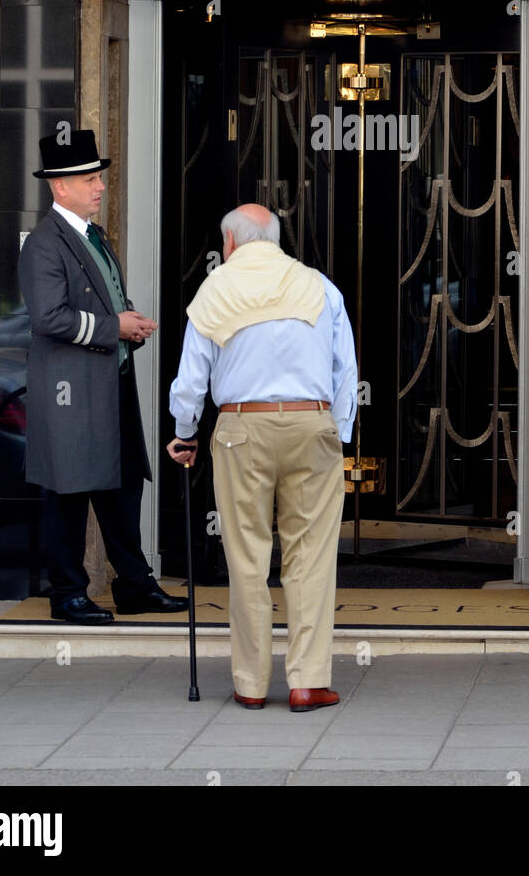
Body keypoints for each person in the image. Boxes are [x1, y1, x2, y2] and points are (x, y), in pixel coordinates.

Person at [168, 203, 357, 712]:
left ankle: (250, 684)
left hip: (240, 429)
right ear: (275, 239)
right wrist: (337, 431)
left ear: (230, 243)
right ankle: (307, 681)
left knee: (246, 558)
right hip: (311, 422)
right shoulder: (319, 285)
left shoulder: (217, 287)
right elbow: (346, 367)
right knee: (311, 556)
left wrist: (185, 433)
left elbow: (191, 379)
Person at [19, 129, 187, 625]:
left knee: (121, 486)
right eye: (89, 179)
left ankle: (134, 585)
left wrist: (127, 321)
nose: (99, 187)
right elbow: (49, 318)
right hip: (70, 391)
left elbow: (102, 298)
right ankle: (67, 593)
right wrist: (117, 326)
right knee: (68, 492)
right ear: (59, 187)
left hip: (107, 385)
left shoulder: (92, 234)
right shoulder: (45, 243)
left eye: (99, 177)